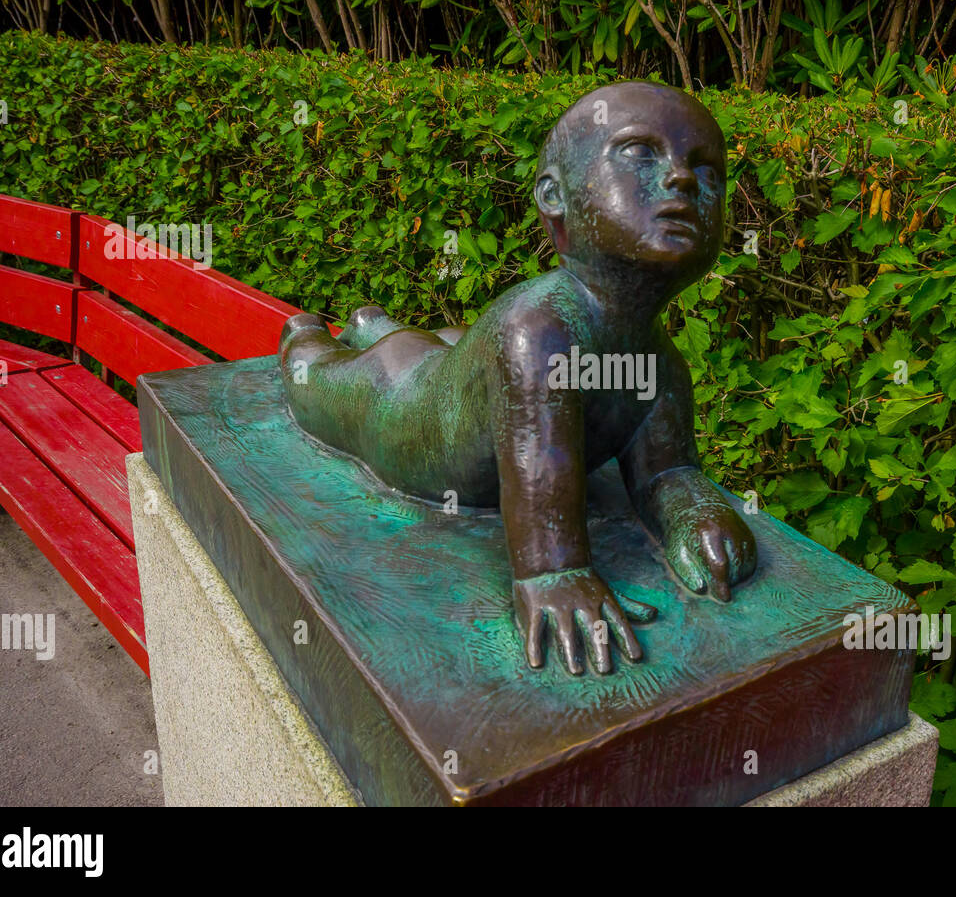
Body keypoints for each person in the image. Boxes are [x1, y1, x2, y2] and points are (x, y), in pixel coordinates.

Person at [279, 81, 756, 676]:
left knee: (433, 349)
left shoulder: (658, 362)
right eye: (640, 154)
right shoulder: (539, 332)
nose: (683, 179)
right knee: (321, 380)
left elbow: (666, 469)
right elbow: (543, 472)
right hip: (398, 408)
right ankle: (312, 335)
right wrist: (553, 572)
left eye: (706, 170)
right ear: (554, 196)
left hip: (452, 370)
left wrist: (694, 510)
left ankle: (378, 325)